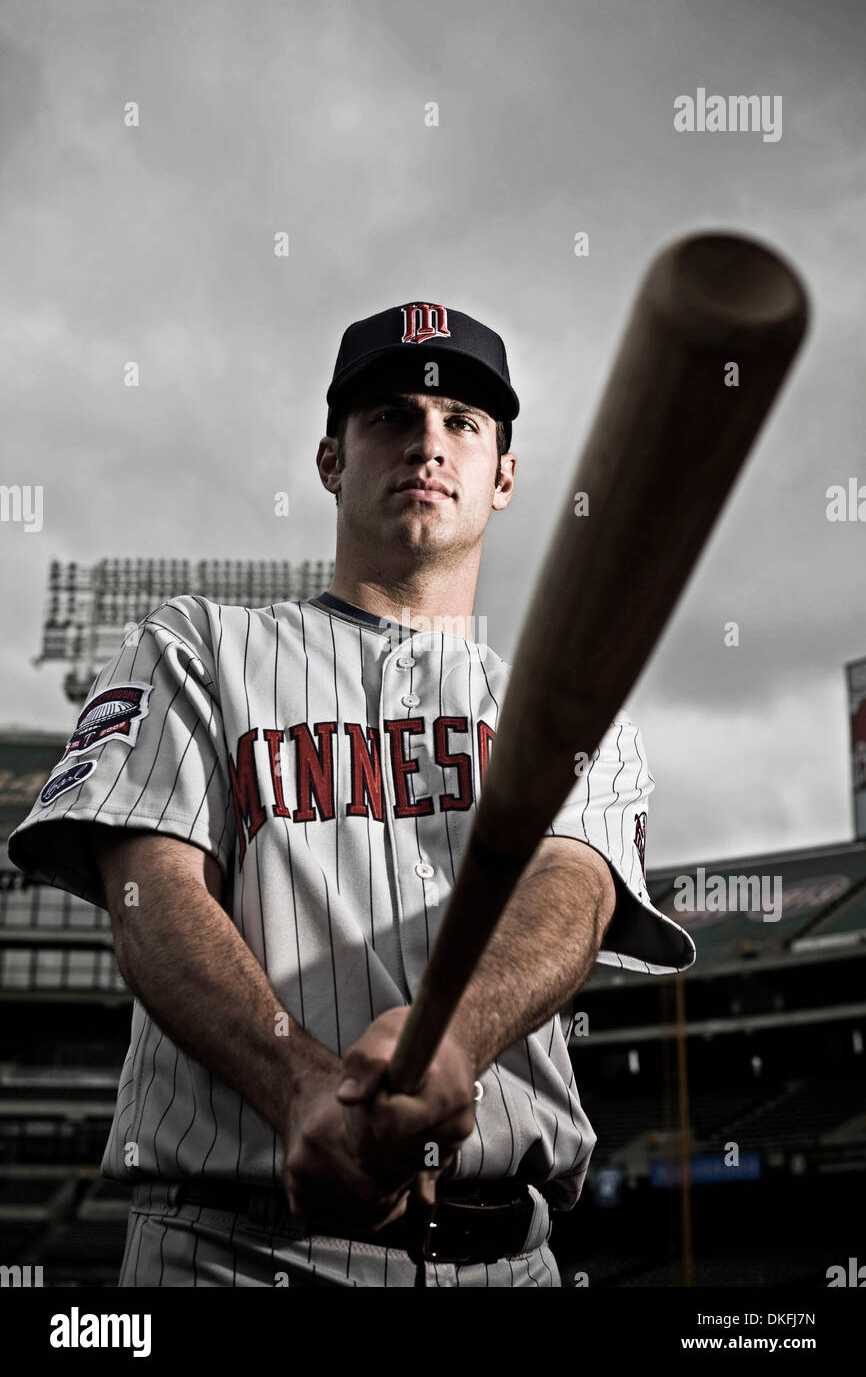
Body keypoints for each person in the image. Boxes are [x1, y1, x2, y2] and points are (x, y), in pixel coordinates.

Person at [7, 299, 695, 1287]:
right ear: (331, 460)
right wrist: (297, 1086)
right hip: (234, 1250)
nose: (427, 441)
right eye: (388, 417)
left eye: (461, 422)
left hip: (508, 1259)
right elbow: (150, 888)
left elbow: (571, 890)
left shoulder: (569, 704)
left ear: (502, 474)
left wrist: (452, 1037)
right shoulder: (198, 647)